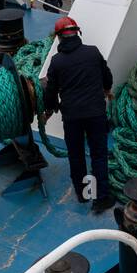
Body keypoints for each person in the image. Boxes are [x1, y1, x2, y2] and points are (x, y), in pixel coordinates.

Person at [41, 16, 115, 213]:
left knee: (76, 155)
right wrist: (107, 90)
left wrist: (50, 109)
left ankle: (82, 194)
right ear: (77, 33)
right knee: (99, 155)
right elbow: (107, 76)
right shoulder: (92, 52)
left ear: (59, 38)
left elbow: (50, 91)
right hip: (95, 113)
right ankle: (101, 198)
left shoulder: (56, 62)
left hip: (72, 117)